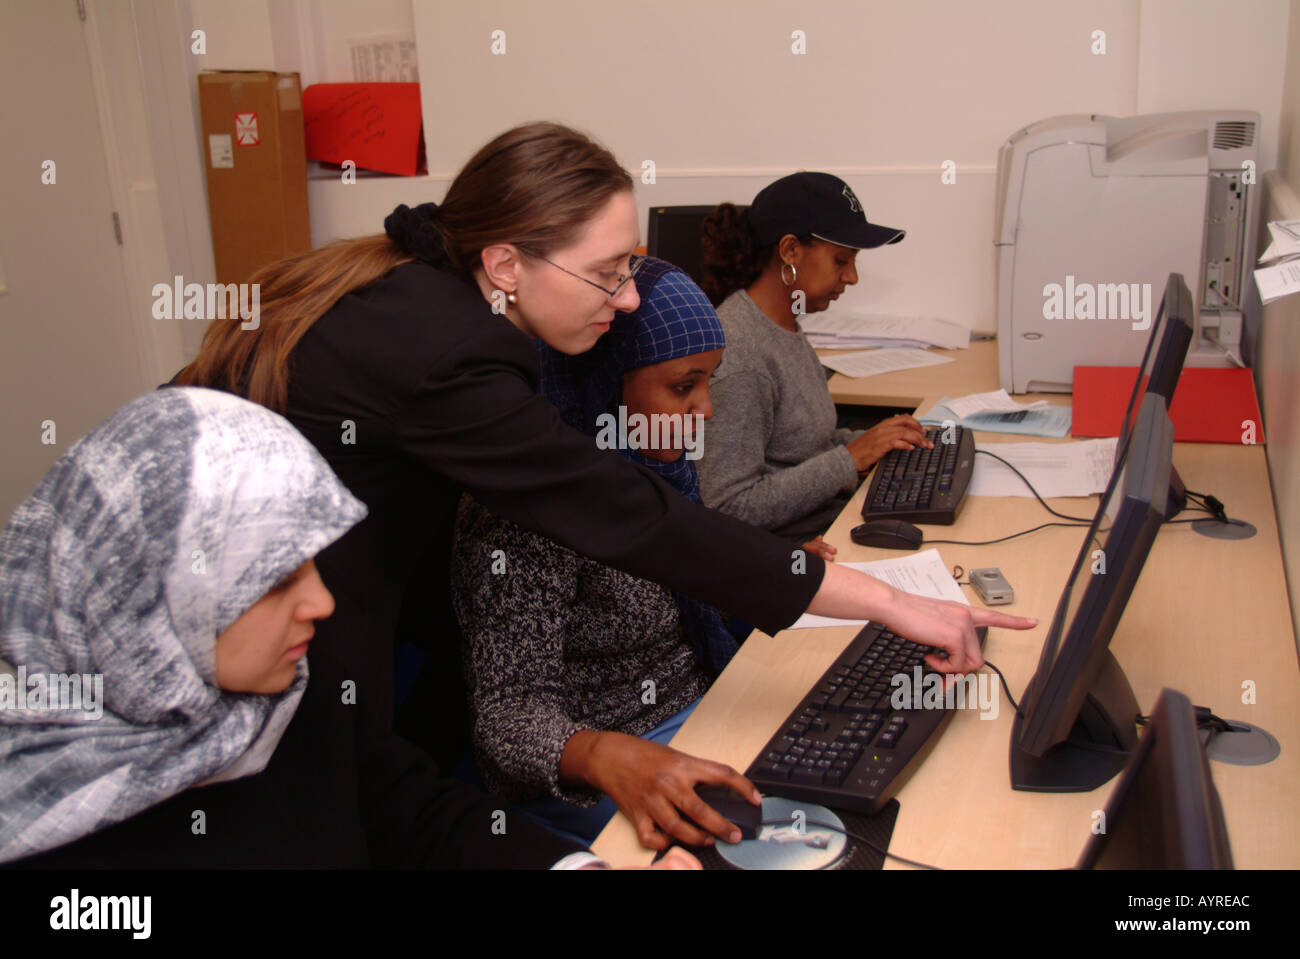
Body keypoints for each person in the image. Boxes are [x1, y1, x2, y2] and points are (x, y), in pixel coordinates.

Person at [173, 122, 1034, 780]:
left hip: (281, 583)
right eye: (609, 272)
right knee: (325, 800)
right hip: (245, 606)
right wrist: (890, 603)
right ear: (507, 262)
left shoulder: (433, 288)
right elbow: (624, 515)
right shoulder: (454, 349)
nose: (627, 300)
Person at [1, 388, 680, 869]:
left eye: (312, 566)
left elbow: (412, 814)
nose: (322, 603)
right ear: (143, 601)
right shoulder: (46, 823)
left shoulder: (292, 684)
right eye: (275, 581)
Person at [453, 258, 763, 851]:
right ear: (605, 384)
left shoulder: (654, 465)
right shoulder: (526, 509)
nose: (706, 410)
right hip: (598, 772)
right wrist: (606, 753)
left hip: (698, 713)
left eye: (707, 384)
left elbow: (695, 581)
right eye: (682, 387)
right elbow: (507, 718)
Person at [697, 171, 934, 545]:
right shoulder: (740, 353)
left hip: (823, 525)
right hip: (797, 550)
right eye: (842, 260)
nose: (852, 277)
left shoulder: (783, 324)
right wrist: (851, 458)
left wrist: (878, 441)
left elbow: (804, 446)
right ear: (790, 251)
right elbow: (728, 507)